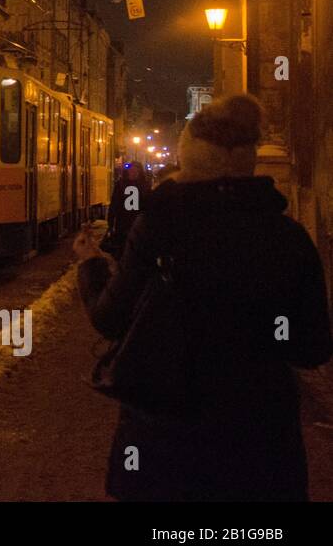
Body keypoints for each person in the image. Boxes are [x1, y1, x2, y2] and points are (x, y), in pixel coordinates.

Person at [73, 95, 332, 501]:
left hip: (165, 440)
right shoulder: (287, 237)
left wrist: (90, 265)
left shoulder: (159, 227)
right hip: (261, 445)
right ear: (249, 162)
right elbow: (311, 348)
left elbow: (110, 318)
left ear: (189, 161)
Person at [102, 161, 150, 256]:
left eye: (135, 171)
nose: (133, 173)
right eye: (131, 171)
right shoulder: (144, 185)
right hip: (129, 223)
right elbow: (115, 204)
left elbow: (114, 204)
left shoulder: (121, 184)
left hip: (128, 222)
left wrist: (111, 222)